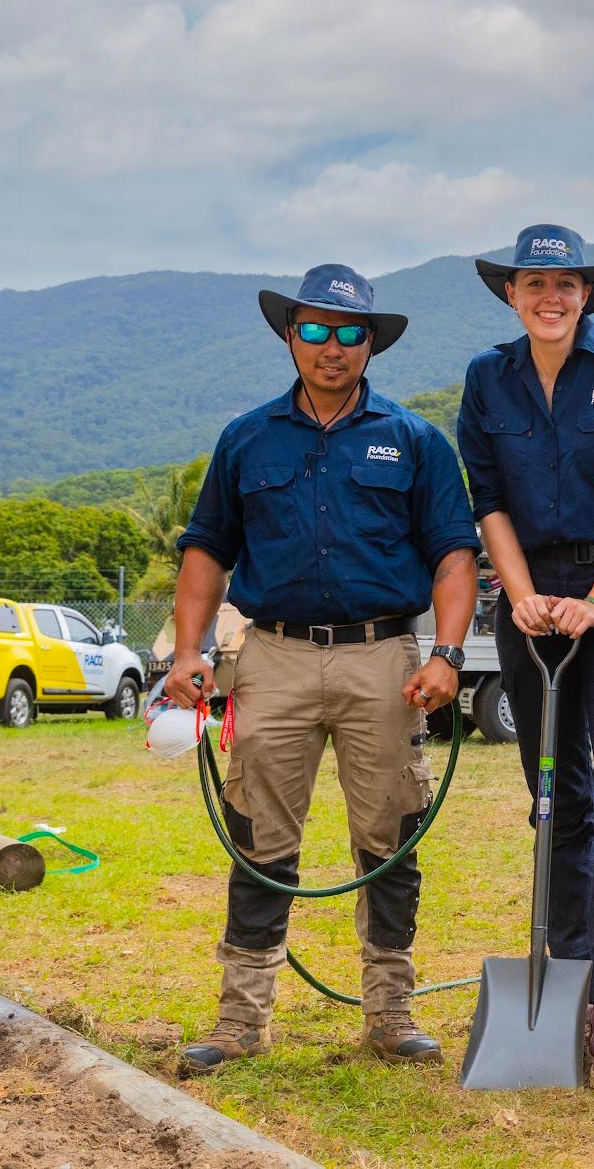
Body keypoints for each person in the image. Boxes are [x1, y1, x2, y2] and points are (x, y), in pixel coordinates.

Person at [168, 264, 478, 1073]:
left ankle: (390, 1012)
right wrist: (192, 649)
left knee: (389, 835)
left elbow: (453, 555)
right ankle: (241, 1020)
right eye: (314, 330)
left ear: (370, 343)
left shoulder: (414, 440)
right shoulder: (246, 439)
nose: (331, 347)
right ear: (289, 335)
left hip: (384, 659)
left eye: (348, 333)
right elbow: (206, 549)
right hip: (272, 656)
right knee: (259, 834)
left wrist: (447, 654)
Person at [455, 223, 594, 1091]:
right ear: (511, 293)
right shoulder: (487, 378)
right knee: (558, 799)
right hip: (530, 597)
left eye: (568, 285)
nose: (552, 297)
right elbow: (489, 497)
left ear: (587, 296)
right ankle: (568, 975)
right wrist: (518, 593)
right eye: (535, 284)